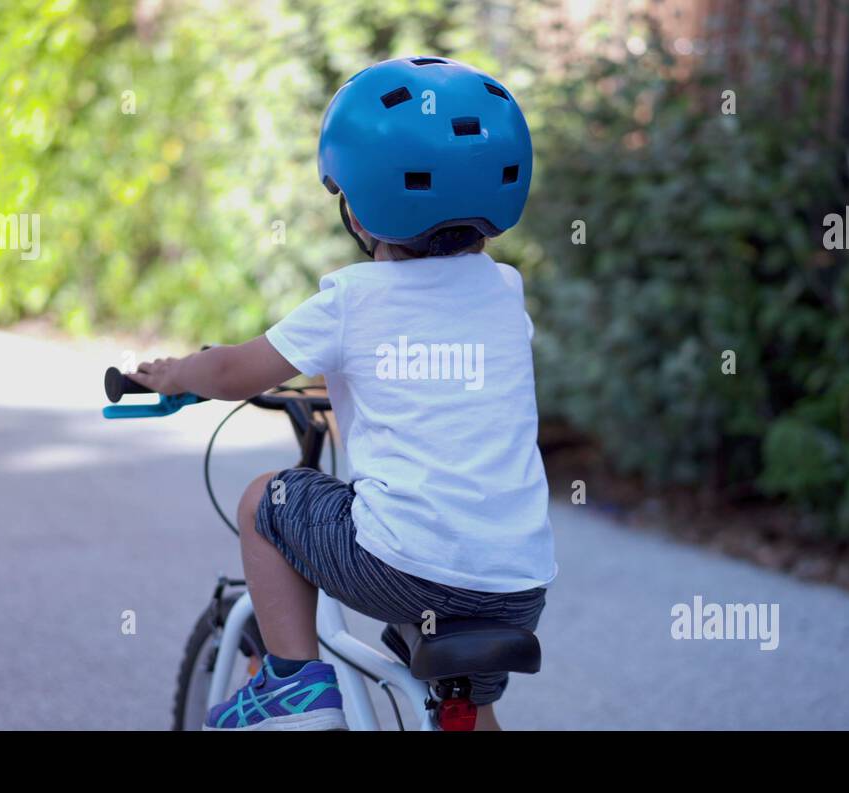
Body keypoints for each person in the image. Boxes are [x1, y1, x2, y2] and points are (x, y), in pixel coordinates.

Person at [128, 56, 555, 731]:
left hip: (402, 565)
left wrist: (181, 372)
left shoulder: (357, 299)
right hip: (515, 582)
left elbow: (238, 371)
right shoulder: (504, 292)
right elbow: (437, 376)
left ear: (356, 204)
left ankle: (292, 684)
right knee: (466, 704)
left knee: (266, 500)